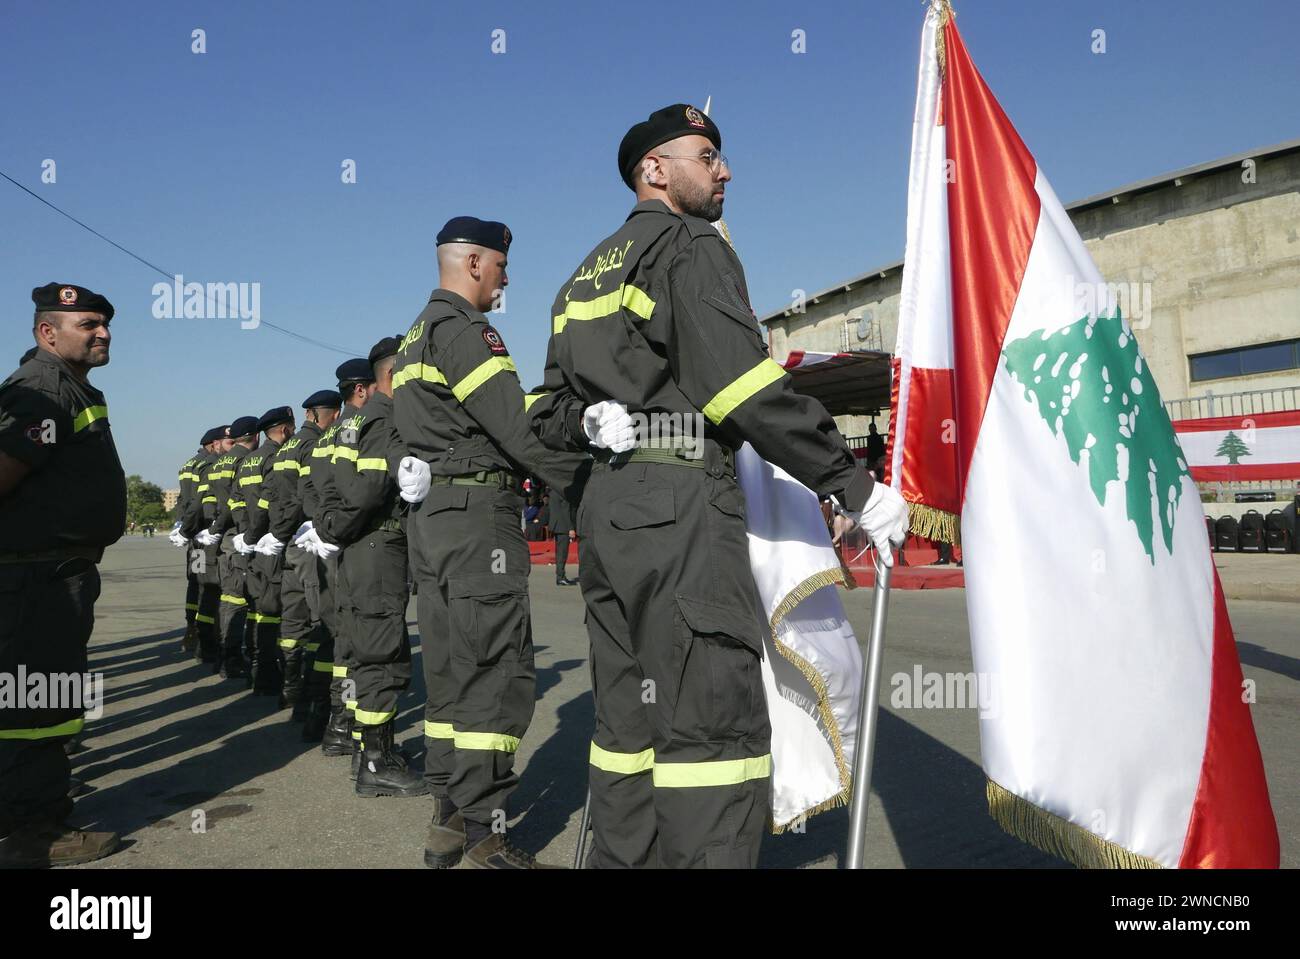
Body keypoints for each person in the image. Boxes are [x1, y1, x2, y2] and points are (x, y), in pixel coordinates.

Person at [526, 105, 910, 868]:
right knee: (710, 731)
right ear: (656, 170)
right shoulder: (691, 245)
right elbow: (743, 387)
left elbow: (543, 414)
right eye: (708, 155)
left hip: (611, 512)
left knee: (626, 728)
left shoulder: (579, 278)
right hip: (682, 511)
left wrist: (586, 424)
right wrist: (853, 483)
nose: (725, 170)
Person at [392, 215, 587, 869]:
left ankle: (450, 817)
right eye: (502, 265)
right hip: (479, 517)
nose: (507, 277)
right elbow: (517, 431)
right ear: (474, 263)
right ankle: (485, 831)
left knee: (451, 673)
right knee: (498, 675)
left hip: (436, 520)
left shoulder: (417, 332)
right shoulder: (466, 329)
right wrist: (588, 489)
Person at [0, 282, 126, 867]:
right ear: (49, 332)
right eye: (89, 324)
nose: (102, 333)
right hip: (37, 580)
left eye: (104, 323)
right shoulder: (45, 390)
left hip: (55, 574)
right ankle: (35, 834)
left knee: (47, 703)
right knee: (36, 707)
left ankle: (36, 815)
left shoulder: (69, 387)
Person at [321, 335, 425, 797]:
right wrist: (340, 528)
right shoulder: (388, 418)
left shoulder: (354, 421)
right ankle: (377, 763)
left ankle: (369, 753)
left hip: (361, 549)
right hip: (379, 545)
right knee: (384, 657)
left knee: (367, 654)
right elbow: (365, 491)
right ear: (393, 374)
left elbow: (335, 487)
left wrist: (332, 530)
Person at [307, 359, 377, 759]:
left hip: (334, 540)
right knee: (360, 639)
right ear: (362, 390)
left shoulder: (330, 433)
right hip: (362, 542)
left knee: (343, 633)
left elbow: (314, 486)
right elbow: (364, 489)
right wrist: (339, 527)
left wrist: (324, 525)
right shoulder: (362, 427)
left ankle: (337, 721)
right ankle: (346, 726)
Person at [262, 390, 340, 726]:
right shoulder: (311, 445)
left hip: (290, 543)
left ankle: (293, 690)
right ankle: (315, 705)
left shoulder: (286, 448)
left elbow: (276, 498)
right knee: (324, 621)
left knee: (294, 621)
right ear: (327, 414)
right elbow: (306, 495)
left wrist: (277, 534)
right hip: (309, 543)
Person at [195, 416, 261, 680]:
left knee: (228, 598)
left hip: (224, 537)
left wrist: (213, 528)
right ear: (256, 436)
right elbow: (239, 501)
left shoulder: (219, 461)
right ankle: (232, 658)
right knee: (241, 600)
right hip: (239, 536)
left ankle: (225, 654)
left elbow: (210, 499)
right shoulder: (244, 461)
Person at [240, 407, 296, 696]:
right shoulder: (275, 458)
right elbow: (269, 500)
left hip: (253, 545)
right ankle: (275, 676)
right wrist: (261, 533)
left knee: (261, 609)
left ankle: (259, 671)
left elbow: (238, 501)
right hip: (272, 542)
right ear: (285, 430)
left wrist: (246, 534)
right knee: (279, 611)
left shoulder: (249, 460)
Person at [549, 484, 579, 586]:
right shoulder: (562, 494)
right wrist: (571, 528)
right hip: (563, 526)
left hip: (556, 525)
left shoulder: (552, 493)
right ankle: (561, 577)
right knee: (562, 553)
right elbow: (566, 512)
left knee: (559, 553)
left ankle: (560, 575)